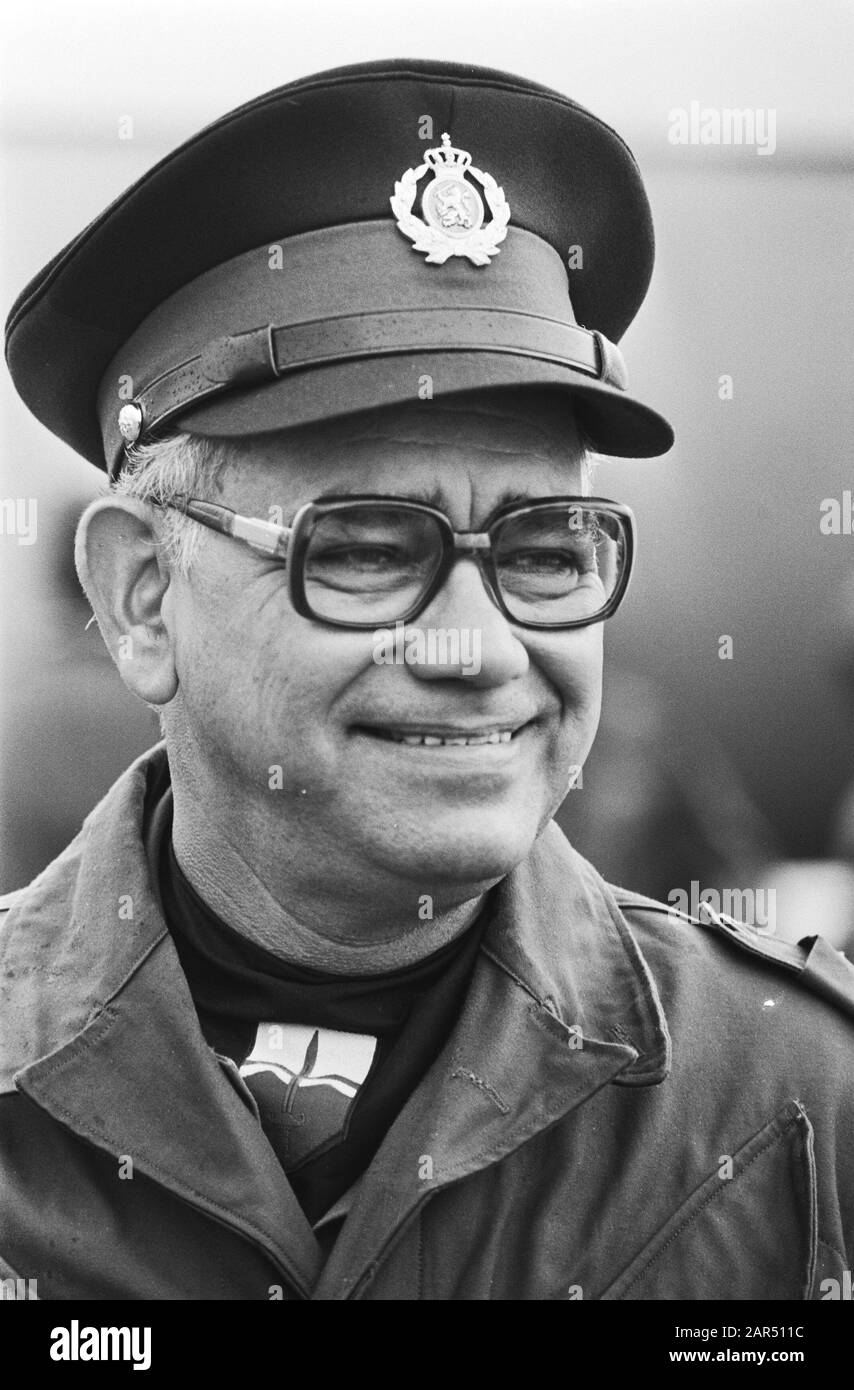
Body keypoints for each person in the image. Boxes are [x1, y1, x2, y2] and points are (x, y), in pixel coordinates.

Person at [1, 58, 851, 1302]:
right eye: (363, 547)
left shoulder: (794, 1096)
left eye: (545, 549)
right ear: (141, 595)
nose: (481, 645)